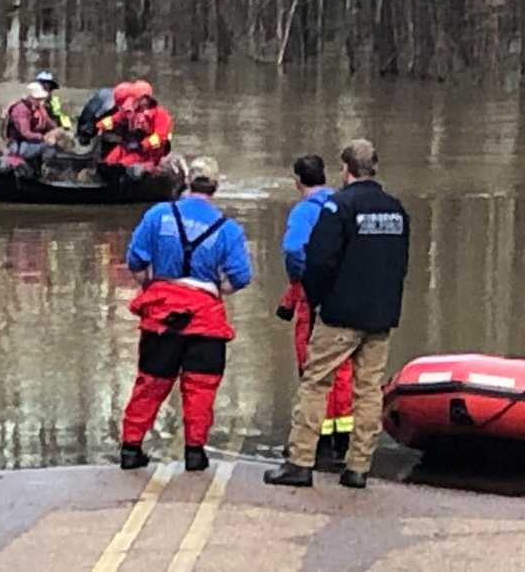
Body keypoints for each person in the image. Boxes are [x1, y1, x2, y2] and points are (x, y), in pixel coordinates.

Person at [264, 139, 410, 489]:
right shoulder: (395, 210)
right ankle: (358, 467)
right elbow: (400, 263)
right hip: (380, 315)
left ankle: (300, 462)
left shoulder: (338, 206)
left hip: (341, 313)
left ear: (345, 169)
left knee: (316, 382)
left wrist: (319, 300)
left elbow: (318, 261)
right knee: (369, 390)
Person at [120, 156, 253, 473]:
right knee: (200, 388)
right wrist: (215, 289)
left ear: (187, 183)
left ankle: (130, 448)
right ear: (216, 187)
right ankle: (195, 452)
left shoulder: (158, 215)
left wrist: (153, 287)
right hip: (206, 318)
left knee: (150, 383)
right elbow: (240, 277)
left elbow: (135, 260)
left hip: (162, 315)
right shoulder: (228, 229)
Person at [274, 154, 351, 466]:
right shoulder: (343, 204)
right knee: (343, 366)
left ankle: (315, 440)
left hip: (314, 298)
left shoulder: (304, 211)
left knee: (312, 367)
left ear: (297, 180)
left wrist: (301, 279)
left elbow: (294, 249)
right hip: (345, 294)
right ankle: (343, 442)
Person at [102, 80, 173, 175]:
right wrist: (100, 125)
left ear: (146, 99)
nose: (134, 101)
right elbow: (116, 118)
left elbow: (160, 136)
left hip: (150, 152)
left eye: (137, 99)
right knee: (108, 161)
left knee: (123, 165)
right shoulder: (135, 111)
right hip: (132, 145)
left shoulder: (160, 114)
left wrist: (143, 145)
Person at [4, 82, 58, 162]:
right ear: (30, 98)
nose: (41, 101)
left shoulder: (38, 107)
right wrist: (43, 138)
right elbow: (25, 133)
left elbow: (47, 121)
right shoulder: (21, 109)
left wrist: (58, 131)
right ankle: (43, 169)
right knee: (49, 147)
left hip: (32, 142)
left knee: (57, 145)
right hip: (19, 145)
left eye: (41, 98)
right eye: (38, 99)